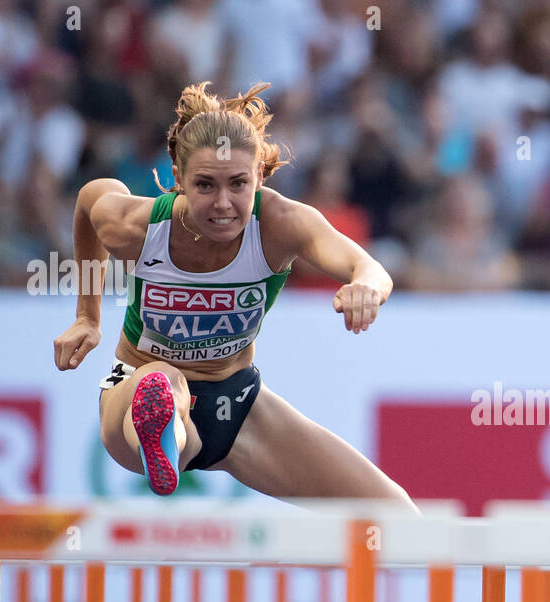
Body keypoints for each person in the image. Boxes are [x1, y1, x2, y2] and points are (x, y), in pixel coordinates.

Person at [54, 81, 414, 509]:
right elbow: (90, 199)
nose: (223, 204)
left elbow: (369, 267)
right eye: (205, 185)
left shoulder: (281, 223)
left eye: (238, 184)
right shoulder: (141, 227)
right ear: (178, 179)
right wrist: (87, 316)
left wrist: (365, 289)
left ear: (259, 176)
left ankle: (175, 433)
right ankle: (169, 433)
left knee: (397, 516)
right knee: (163, 382)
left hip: (238, 404)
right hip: (133, 392)